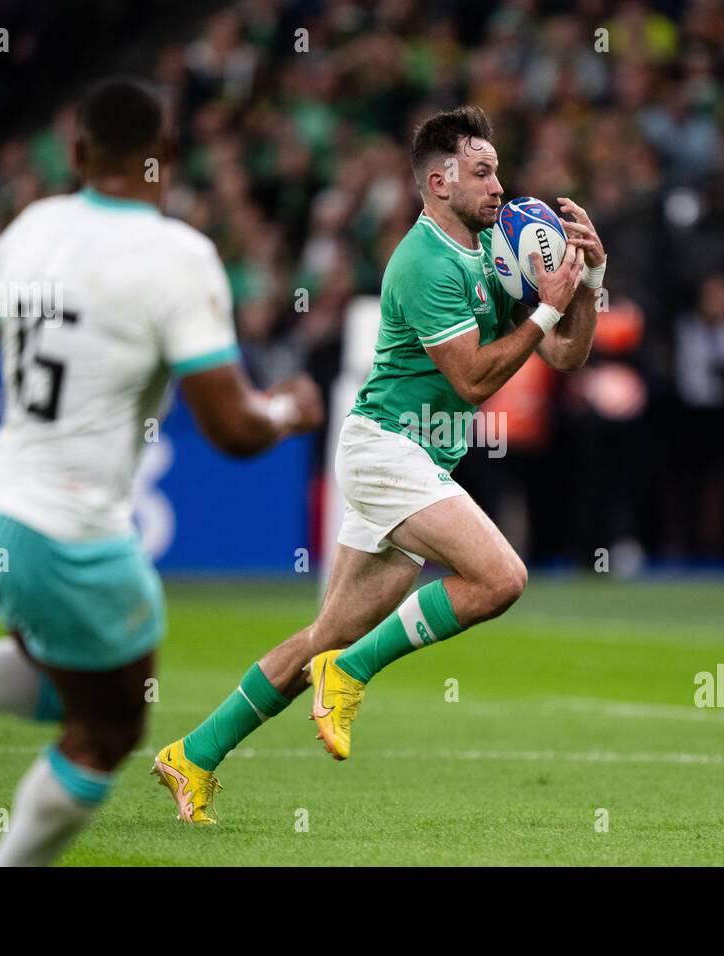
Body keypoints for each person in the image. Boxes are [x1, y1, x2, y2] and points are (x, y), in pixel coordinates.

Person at [0, 77, 323, 866]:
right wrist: (289, 409)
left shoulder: (35, 227)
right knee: (110, 726)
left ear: (77, 153)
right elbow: (231, 428)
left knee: (69, 686)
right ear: (170, 156)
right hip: (70, 531)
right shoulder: (179, 258)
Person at [152, 105, 606, 824]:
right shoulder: (424, 260)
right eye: (481, 172)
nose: (498, 185)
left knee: (322, 638)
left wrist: (583, 286)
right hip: (387, 450)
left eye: (498, 170)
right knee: (500, 578)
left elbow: (564, 355)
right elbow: (474, 381)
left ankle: (194, 755)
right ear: (437, 181)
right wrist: (543, 312)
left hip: (416, 459)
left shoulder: (492, 253)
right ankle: (354, 672)